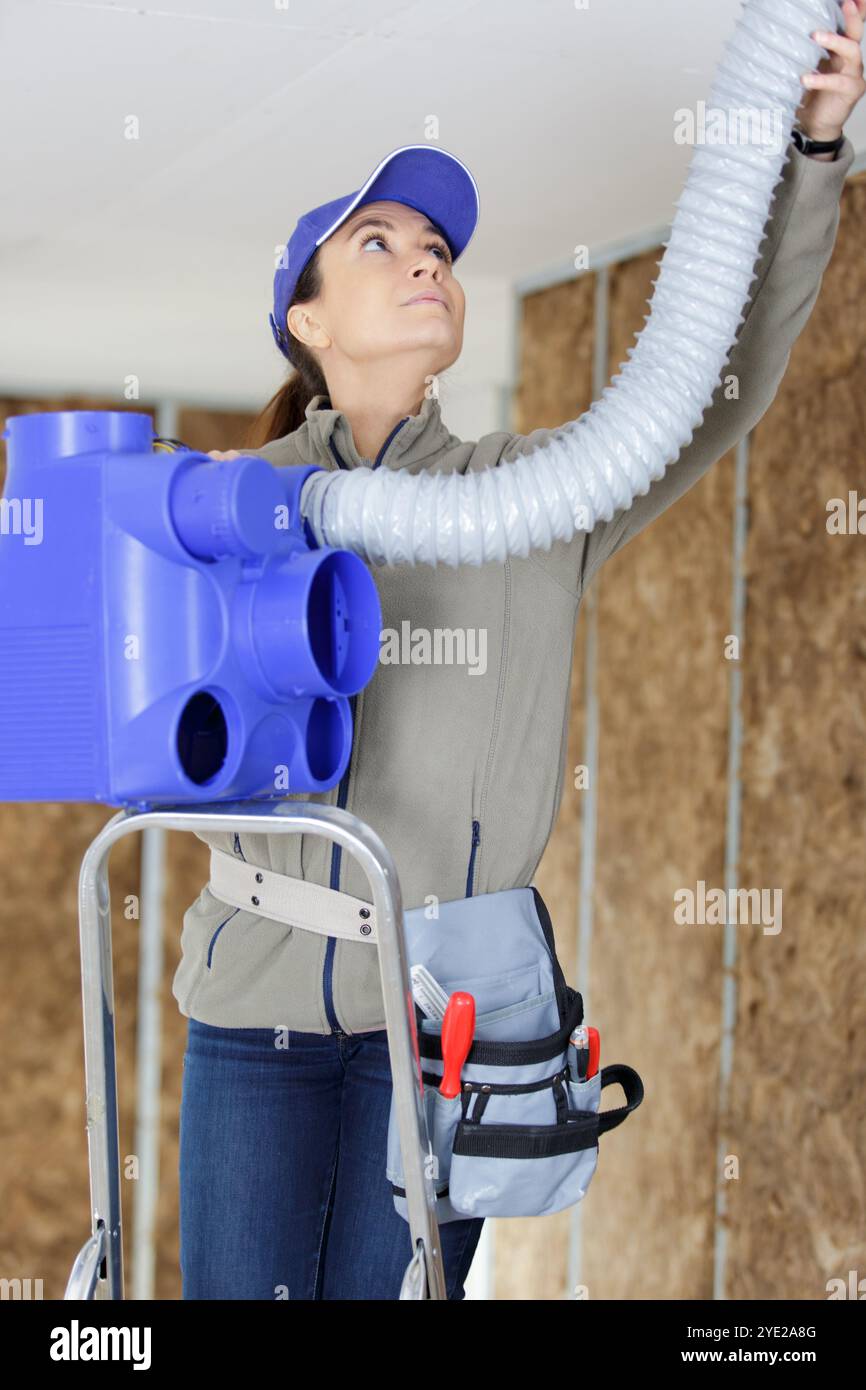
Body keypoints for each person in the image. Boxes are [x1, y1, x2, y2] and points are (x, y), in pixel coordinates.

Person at [176, 5, 866, 1300]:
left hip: (444, 1023)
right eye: (376, 243)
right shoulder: (213, 506)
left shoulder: (536, 501)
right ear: (306, 320)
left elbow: (718, 381)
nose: (423, 259)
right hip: (252, 1015)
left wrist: (811, 149)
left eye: (436, 247)